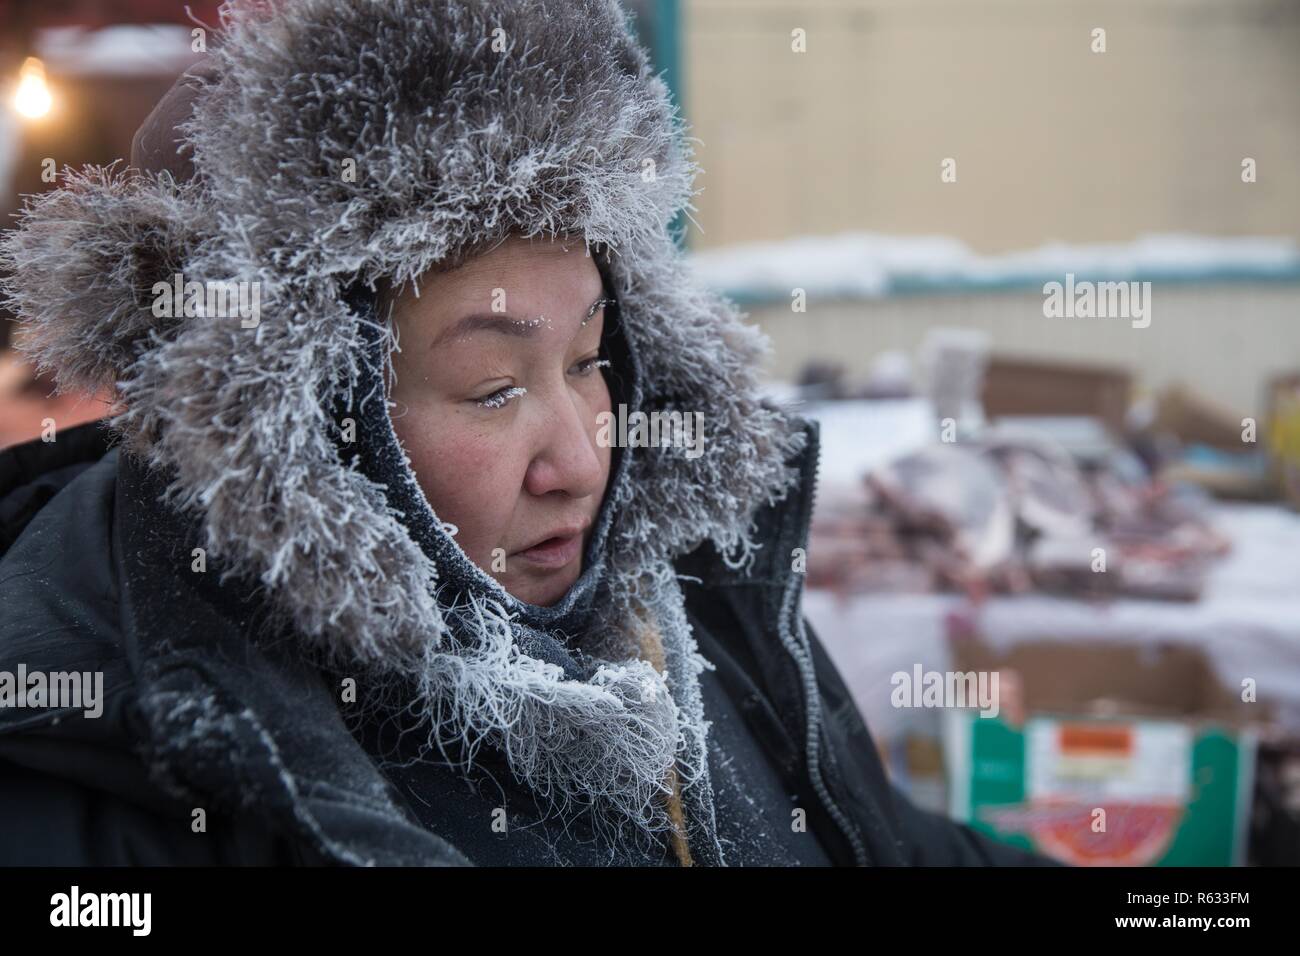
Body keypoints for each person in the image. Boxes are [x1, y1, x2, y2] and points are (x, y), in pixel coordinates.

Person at [0, 0, 1051, 866]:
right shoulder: (101, 795)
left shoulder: (695, 604)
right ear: (308, 426)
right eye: (492, 385)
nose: (583, 461)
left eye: (591, 359)